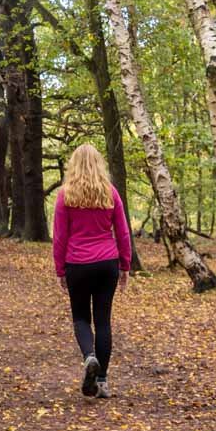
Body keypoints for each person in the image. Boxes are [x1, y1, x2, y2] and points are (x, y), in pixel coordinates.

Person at [52, 143, 132, 399]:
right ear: (99, 165)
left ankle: (89, 357)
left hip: (77, 263)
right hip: (107, 263)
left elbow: (60, 236)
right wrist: (125, 265)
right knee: (103, 321)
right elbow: (123, 232)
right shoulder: (110, 193)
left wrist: (60, 269)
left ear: (73, 166)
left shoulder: (65, 195)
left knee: (81, 318)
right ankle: (102, 382)